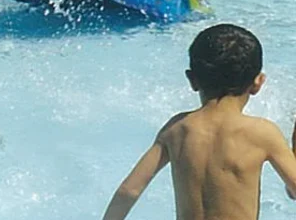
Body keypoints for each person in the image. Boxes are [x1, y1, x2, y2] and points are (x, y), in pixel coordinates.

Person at [103, 24, 296, 219]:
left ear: (192, 80)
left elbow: (129, 191)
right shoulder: (262, 133)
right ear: (258, 83)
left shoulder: (177, 129)